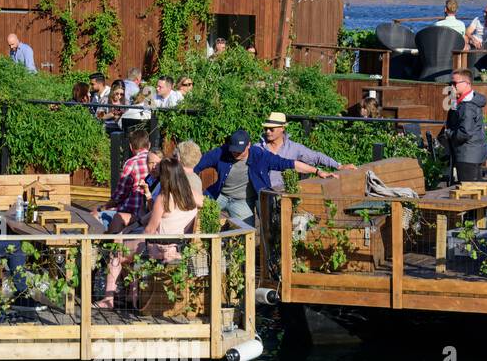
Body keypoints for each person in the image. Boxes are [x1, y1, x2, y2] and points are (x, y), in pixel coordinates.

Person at [99, 154, 204, 309]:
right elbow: (208, 205)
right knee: (128, 242)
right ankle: (130, 294)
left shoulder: (164, 199)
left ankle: (108, 299)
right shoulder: (193, 196)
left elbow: (149, 230)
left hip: (156, 247)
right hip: (178, 246)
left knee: (117, 251)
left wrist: (128, 234)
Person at [195, 128, 335, 226]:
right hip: (219, 195)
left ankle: (242, 266)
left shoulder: (260, 156)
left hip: (242, 201)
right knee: (196, 219)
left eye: (240, 151)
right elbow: (195, 166)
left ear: (249, 145)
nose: (236, 154)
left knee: (246, 234)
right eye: (233, 151)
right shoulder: (221, 152)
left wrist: (317, 171)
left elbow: (289, 163)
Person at [259, 111, 355, 192]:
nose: (267, 131)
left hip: (283, 194)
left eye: (271, 129)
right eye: (265, 128)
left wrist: (339, 166)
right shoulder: (258, 148)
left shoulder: (294, 148)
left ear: (282, 128)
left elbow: (317, 157)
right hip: (260, 194)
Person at [100, 126, 151, 233]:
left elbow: (120, 195)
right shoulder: (159, 161)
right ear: (149, 145)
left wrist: (106, 206)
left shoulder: (131, 163)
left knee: (96, 216)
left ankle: (103, 244)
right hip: (150, 211)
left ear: (131, 146)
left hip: (133, 211)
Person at [440, 68, 487, 183]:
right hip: (472, 153)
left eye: (454, 83)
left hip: (467, 155)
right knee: (473, 193)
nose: (452, 86)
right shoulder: (467, 101)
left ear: (467, 84)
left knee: (468, 194)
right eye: (450, 83)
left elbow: (464, 133)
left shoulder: (467, 106)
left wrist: (449, 133)